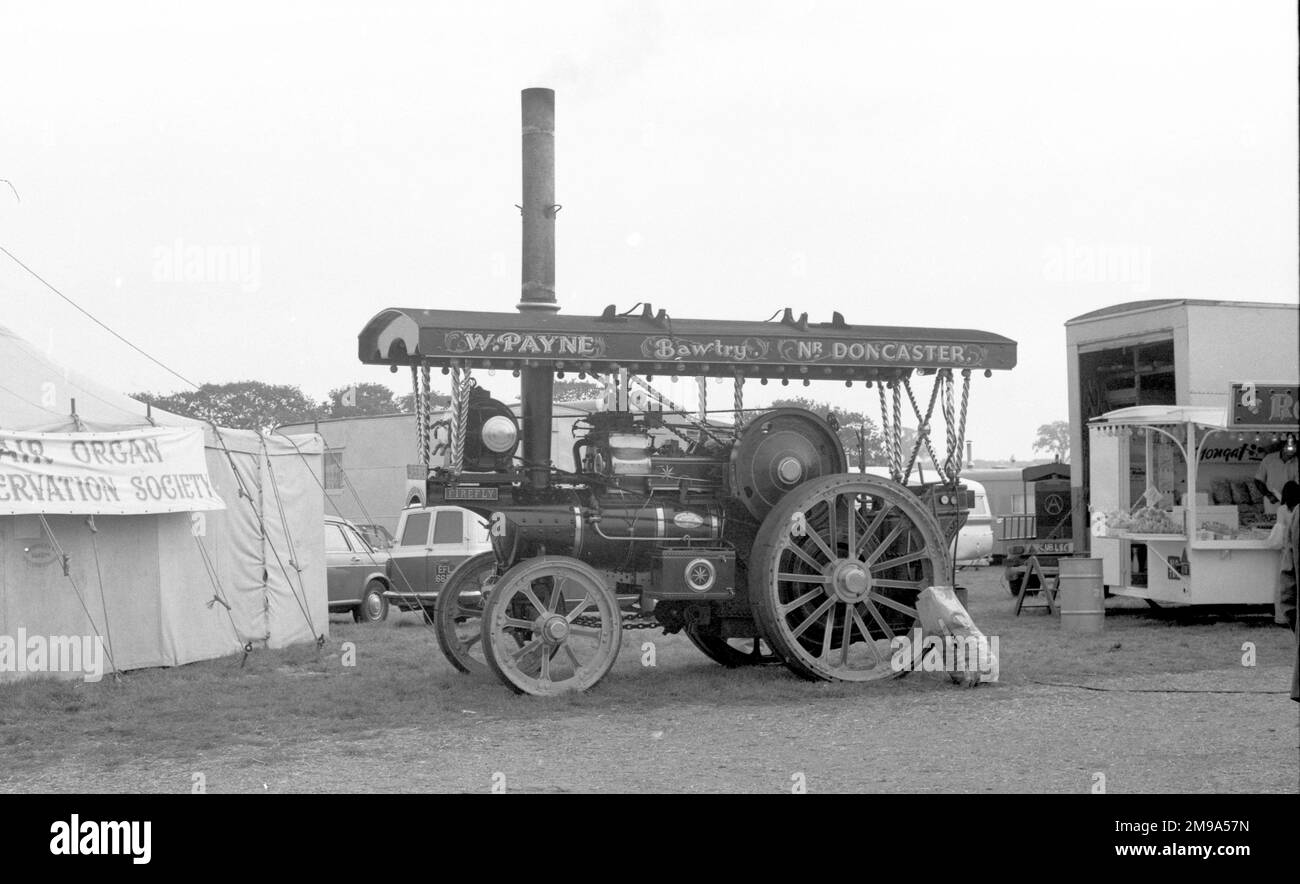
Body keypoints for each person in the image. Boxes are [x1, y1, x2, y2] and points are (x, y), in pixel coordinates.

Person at [1272, 481, 1299, 628]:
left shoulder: (1282, 509)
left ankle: (1282, 617)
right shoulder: (1298, 509)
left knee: (1284, 584)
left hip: (1286, 550)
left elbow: (1279, 531)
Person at [1254, 435, 1298, 516]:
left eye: (1294, 447)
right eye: (1288, 447)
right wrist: (1268, 495)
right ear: (1282, 446)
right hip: (1272, 503)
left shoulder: (1297, 462)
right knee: (1273, 526)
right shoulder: (1269, 459)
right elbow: (1258, 480)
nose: (1291, 450)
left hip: (1292, 504)